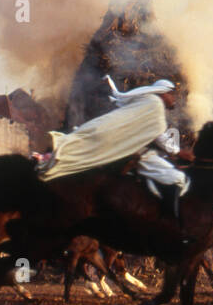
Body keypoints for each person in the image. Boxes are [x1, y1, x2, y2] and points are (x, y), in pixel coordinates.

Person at [37, 77, 187, 219]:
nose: (174, 98)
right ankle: (170, 223)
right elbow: (159, 134)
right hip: (126, 149)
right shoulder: (154, 105)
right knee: (176, 178)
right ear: (163, 93)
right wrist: (179, 152)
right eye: (172, 94)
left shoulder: (146, 102)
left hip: (121, 142)